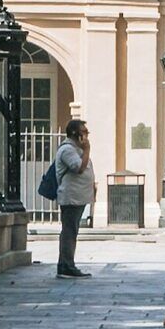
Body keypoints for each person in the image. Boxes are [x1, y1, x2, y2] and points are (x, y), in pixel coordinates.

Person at [47, 119, 96, 279]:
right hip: (71, 197)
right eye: (84, 132)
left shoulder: (76, 149)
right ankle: (66, 265)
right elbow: (79, 168)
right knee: (69, 231)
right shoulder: (67, 150)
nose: (87, 135)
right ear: (76, 134)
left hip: (78, 197)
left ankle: (66, 263)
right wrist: (87, 149)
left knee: (71, 230)